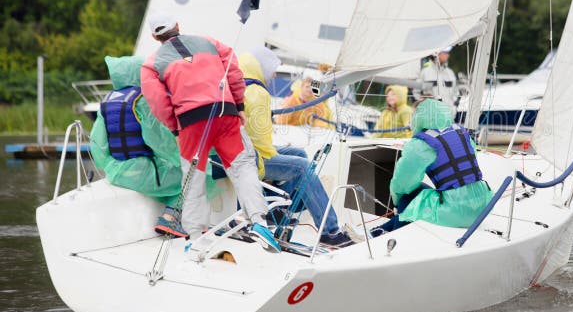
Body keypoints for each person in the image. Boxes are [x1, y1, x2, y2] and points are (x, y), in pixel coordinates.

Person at [139, 14, 279, 251]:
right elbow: (233, 70)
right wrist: (240, 105)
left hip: (191, 122)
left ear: (154, 36)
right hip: (225, 111)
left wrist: (175, 126)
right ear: (178, 26)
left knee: (193, 179)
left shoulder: (150, 65)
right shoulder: (211, 43)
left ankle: (195, 238)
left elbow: (158, 101)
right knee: (243, 166)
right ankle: (259, 222)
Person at [239, 47, 357, 246]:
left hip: (244, 151)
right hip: (250, 157)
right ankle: (329, 232)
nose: (274, 74)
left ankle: (279, 211)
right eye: (272, 69)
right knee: (302, 166)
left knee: (298, 153)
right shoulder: (257, 92)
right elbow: (260, 139)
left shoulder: (242, 86)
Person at [90, 55, 210, 238]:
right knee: (193, 176)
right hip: (143, 172)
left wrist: (106, 165)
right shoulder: (141, 100)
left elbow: (97, 143)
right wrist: (182, 157)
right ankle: (170, 218)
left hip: (115, 172)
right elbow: (159, 141)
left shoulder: (107, 101)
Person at [370, 98, 493, 237]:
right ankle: (380, 230)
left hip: (457, 211)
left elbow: (403, 183)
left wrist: (397, 204)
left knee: (407, 195)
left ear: (418, 117)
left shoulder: (421, 144)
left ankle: (391, 236)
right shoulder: (462, 133)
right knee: (419, 191)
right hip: (483, 203)